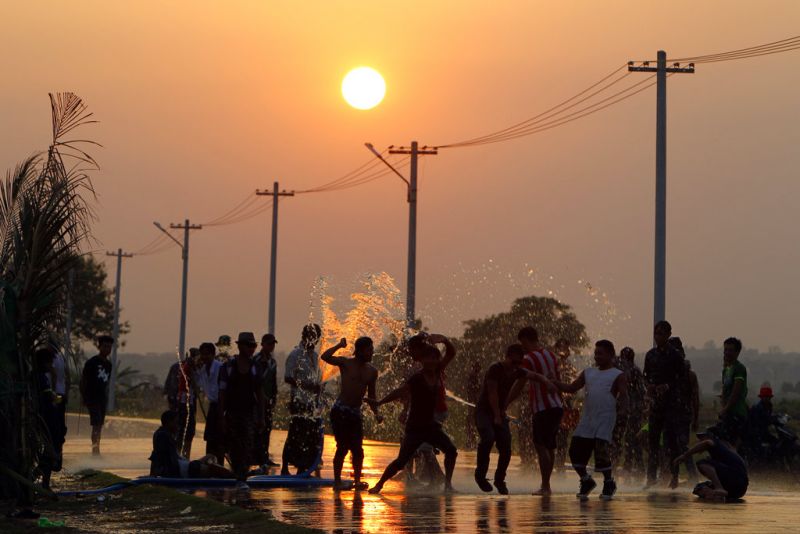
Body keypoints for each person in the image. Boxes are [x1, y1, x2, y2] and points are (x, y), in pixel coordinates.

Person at [367, 344, 458, 495]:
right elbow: (401, 391)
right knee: (401, 462)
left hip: (431, 427)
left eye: (434, 358)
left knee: (451, 451)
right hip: (415, 428)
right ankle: (379, 484)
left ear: (437, 360)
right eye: (427, 358)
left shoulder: (437, 373)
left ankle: (447, 485)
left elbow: (451, 352)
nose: (431, 361)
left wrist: (444, 340)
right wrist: (380, 402)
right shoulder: (417, 378)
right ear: (422, 360)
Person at [554, 340, 628, 500]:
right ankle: (586, 480)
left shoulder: (617, 374)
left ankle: (609, 482)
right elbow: (572, 388)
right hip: (588, 419)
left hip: (605, 418)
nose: (597, 356)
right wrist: (555, 384)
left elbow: (623, 395)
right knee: (575, 451)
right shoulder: (588, 372)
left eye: (600, 353)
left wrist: (622, 411)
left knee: (601, 452)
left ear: (610, 354)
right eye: (595, 353)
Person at [475, 344, 551, 495]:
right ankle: (480, 476)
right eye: (513, 362)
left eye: (519, 363)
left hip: (500, 412)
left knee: (506, 446)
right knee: (488, 438)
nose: (515, 366)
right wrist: (497, 414)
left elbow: (534, 376)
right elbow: (492, 393)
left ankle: (499, 479)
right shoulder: (495, 368)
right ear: (506, 357)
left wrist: (547, 382)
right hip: (484, 411)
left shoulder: (518, 370)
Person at [320, 337, 383, 491]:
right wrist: (339, 345)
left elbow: (372, 396)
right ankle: (337, 481)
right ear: (360, 351)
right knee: (342, 447)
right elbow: (325, 357)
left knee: (358, 449)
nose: (372, 352)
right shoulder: (346, 363)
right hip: (340, 410)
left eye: (372, 349)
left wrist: (376, 414)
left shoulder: (372, 372)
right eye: (369, 350)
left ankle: (356, 480)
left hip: (355, 413)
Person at [517, 326, 562, 496]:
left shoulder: (528, 359)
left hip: (542, 408)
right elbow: (557, 380)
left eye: (523, 343)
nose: (522, 347)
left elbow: (520, 383)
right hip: (556, 406)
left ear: (527, 340)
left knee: (540, 445)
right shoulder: (551, 355)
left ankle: (545, 486)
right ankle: (547, 485)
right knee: (549, 446)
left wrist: (506, 401)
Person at [643, 320, 685, 488]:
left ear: (668, 334)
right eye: (656, 333)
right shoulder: (650, 355)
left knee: (671, 443)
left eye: (661, 333)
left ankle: (674, 477)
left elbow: (682, 378)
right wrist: (650, 386)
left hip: (671, 404)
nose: (657, 337)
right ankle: (651, 479)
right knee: (653, 442)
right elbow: (646, 375)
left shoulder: (675, 355)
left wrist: (667, 386)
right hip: (656, 404)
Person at [219, 332, 265, 484]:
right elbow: (222, 394)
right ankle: (237, 474)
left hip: (248, 413)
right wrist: (222, 417)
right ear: (240, 346)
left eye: (254, 346)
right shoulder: (229, 367)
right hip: (232, 413)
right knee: (234, 446)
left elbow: (259, 394)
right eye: (249, 345)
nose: (252, 349)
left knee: (247, 446)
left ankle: (242, 475)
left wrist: (261, 417)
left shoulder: (255, 368)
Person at [282, 324, 323, 475]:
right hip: (298, 400)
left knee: (309, 435)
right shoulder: (295, 354)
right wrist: (306, 385)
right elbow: (287, 377)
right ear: (304, 336)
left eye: (317, 337)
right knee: (294, 434)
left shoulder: (315, 356)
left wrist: (318, 389)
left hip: (311, 402)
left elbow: (317, 379)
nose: (314, 340)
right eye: (312, 336)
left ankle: (303, 466)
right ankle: (285, 466)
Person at [149, 410, 234, 479]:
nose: (178, 426)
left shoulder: (163, 433)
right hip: (183, 470)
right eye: (176, 422)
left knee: (210, 457)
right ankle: (234, 476)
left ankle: (223, 474)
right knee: (212, 468)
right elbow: (156, 455)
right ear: (168, 422)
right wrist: (153, 476)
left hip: (185, 465)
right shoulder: (162, 436)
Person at [673, 429, 748, 501]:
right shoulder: (726, 449)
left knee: (702, 463)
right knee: (699, 488)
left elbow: (707, 443)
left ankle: (719, 488)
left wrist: (685, 455)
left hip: (736, 481)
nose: (700, 441)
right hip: (739, 491)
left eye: (703, 438)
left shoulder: (716, 442)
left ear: (712, 436)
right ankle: (716, 493)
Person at [80, 335, 114, 456]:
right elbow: (84, 380)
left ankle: (97, 448)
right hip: (91, 396)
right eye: (105, 346)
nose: (107, 349)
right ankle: (95, 451)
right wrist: (83, 396)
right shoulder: (92, 362)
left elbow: (107, 382)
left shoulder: (109, 365)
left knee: (99, 425)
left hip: (102, 397)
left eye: (109, 347)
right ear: (99, 347)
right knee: (96, 423)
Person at [617, 347, 646, 476]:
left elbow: (639, 391)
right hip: (633, 409)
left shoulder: (631, 371)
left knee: (632, 438)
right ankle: (633, 465)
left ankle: (633, 466)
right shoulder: (634, 370)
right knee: (631, 439)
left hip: (633, 410)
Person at [35, 348, 61, 490]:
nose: (51, 365)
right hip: (46, 419)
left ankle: (43, 481)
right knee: (49, 451)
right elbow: (47, 395)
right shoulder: (40, 377)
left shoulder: (37, 376)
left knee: (49, 451)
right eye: (50, 362)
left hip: (47, 419)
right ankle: (44, 482)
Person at [253, 333, 280, 468]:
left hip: (268, 400)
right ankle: (254, 456)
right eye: (269, 344)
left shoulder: (272, 362)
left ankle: (264, 456)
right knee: (257, 427)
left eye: (273, 344)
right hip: (257, 401)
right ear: (263, 344)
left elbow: (273, 382)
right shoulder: (256, 360)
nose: (271, 346)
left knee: (267, 428)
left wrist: (274, 398)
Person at [195, 342, 224, 464]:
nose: (204, 357)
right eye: (202, 354)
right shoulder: (202, 370)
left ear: (213, 355)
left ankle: (219, 463)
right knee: (210, 437)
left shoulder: (219, 367)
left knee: (219, 437)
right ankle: (210, 463)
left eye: (207, 354)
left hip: (221, 405)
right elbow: (197, 384)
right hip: (213, 405)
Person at [554, 338, 580, 472]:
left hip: (566, 405)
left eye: (567, 349)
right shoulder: (554, 364)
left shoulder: (569, 366)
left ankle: (560, 464)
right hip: (553, 403)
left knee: (563, 436)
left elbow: (573, 387)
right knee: (552, 436)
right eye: (564, 349)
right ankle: (552, 463)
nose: (566, 352)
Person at [719, 337, 748, 444]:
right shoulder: (726, 369)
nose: (727, 352)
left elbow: (736, 392)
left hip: (737, 412)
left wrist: (725, 409)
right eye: (725, 349)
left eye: (730, 350)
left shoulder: (739, 368)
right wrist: (723, 408)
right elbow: (724, 390)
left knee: (733, 444)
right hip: (727, 413)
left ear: (737, 352)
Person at [49, 339, 69, 473]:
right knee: (59, 428)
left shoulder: (51, 359)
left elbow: (54, 376)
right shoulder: (62, 358)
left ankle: (54, 458)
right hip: (61, 395)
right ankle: (57, 457)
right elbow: (67, 377)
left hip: (54, 396)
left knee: (53, 428)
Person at [176, 350, 199, 458]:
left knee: (187, 430)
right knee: (186, 430)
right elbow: (193, 384)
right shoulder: (188, 366)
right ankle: (182, 456)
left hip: (187, 400)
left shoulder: (188, 366)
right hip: (185, 401)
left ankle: (185, 455)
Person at [465, 361, 482, 450]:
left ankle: (472, 443)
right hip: (472, 404)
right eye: (476, 368)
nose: (477, 370)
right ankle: (471, 443)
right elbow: (472, 392)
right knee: (471, 422)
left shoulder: (476, 376)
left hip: (474, 404)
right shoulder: (473, 376)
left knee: (473, 423)